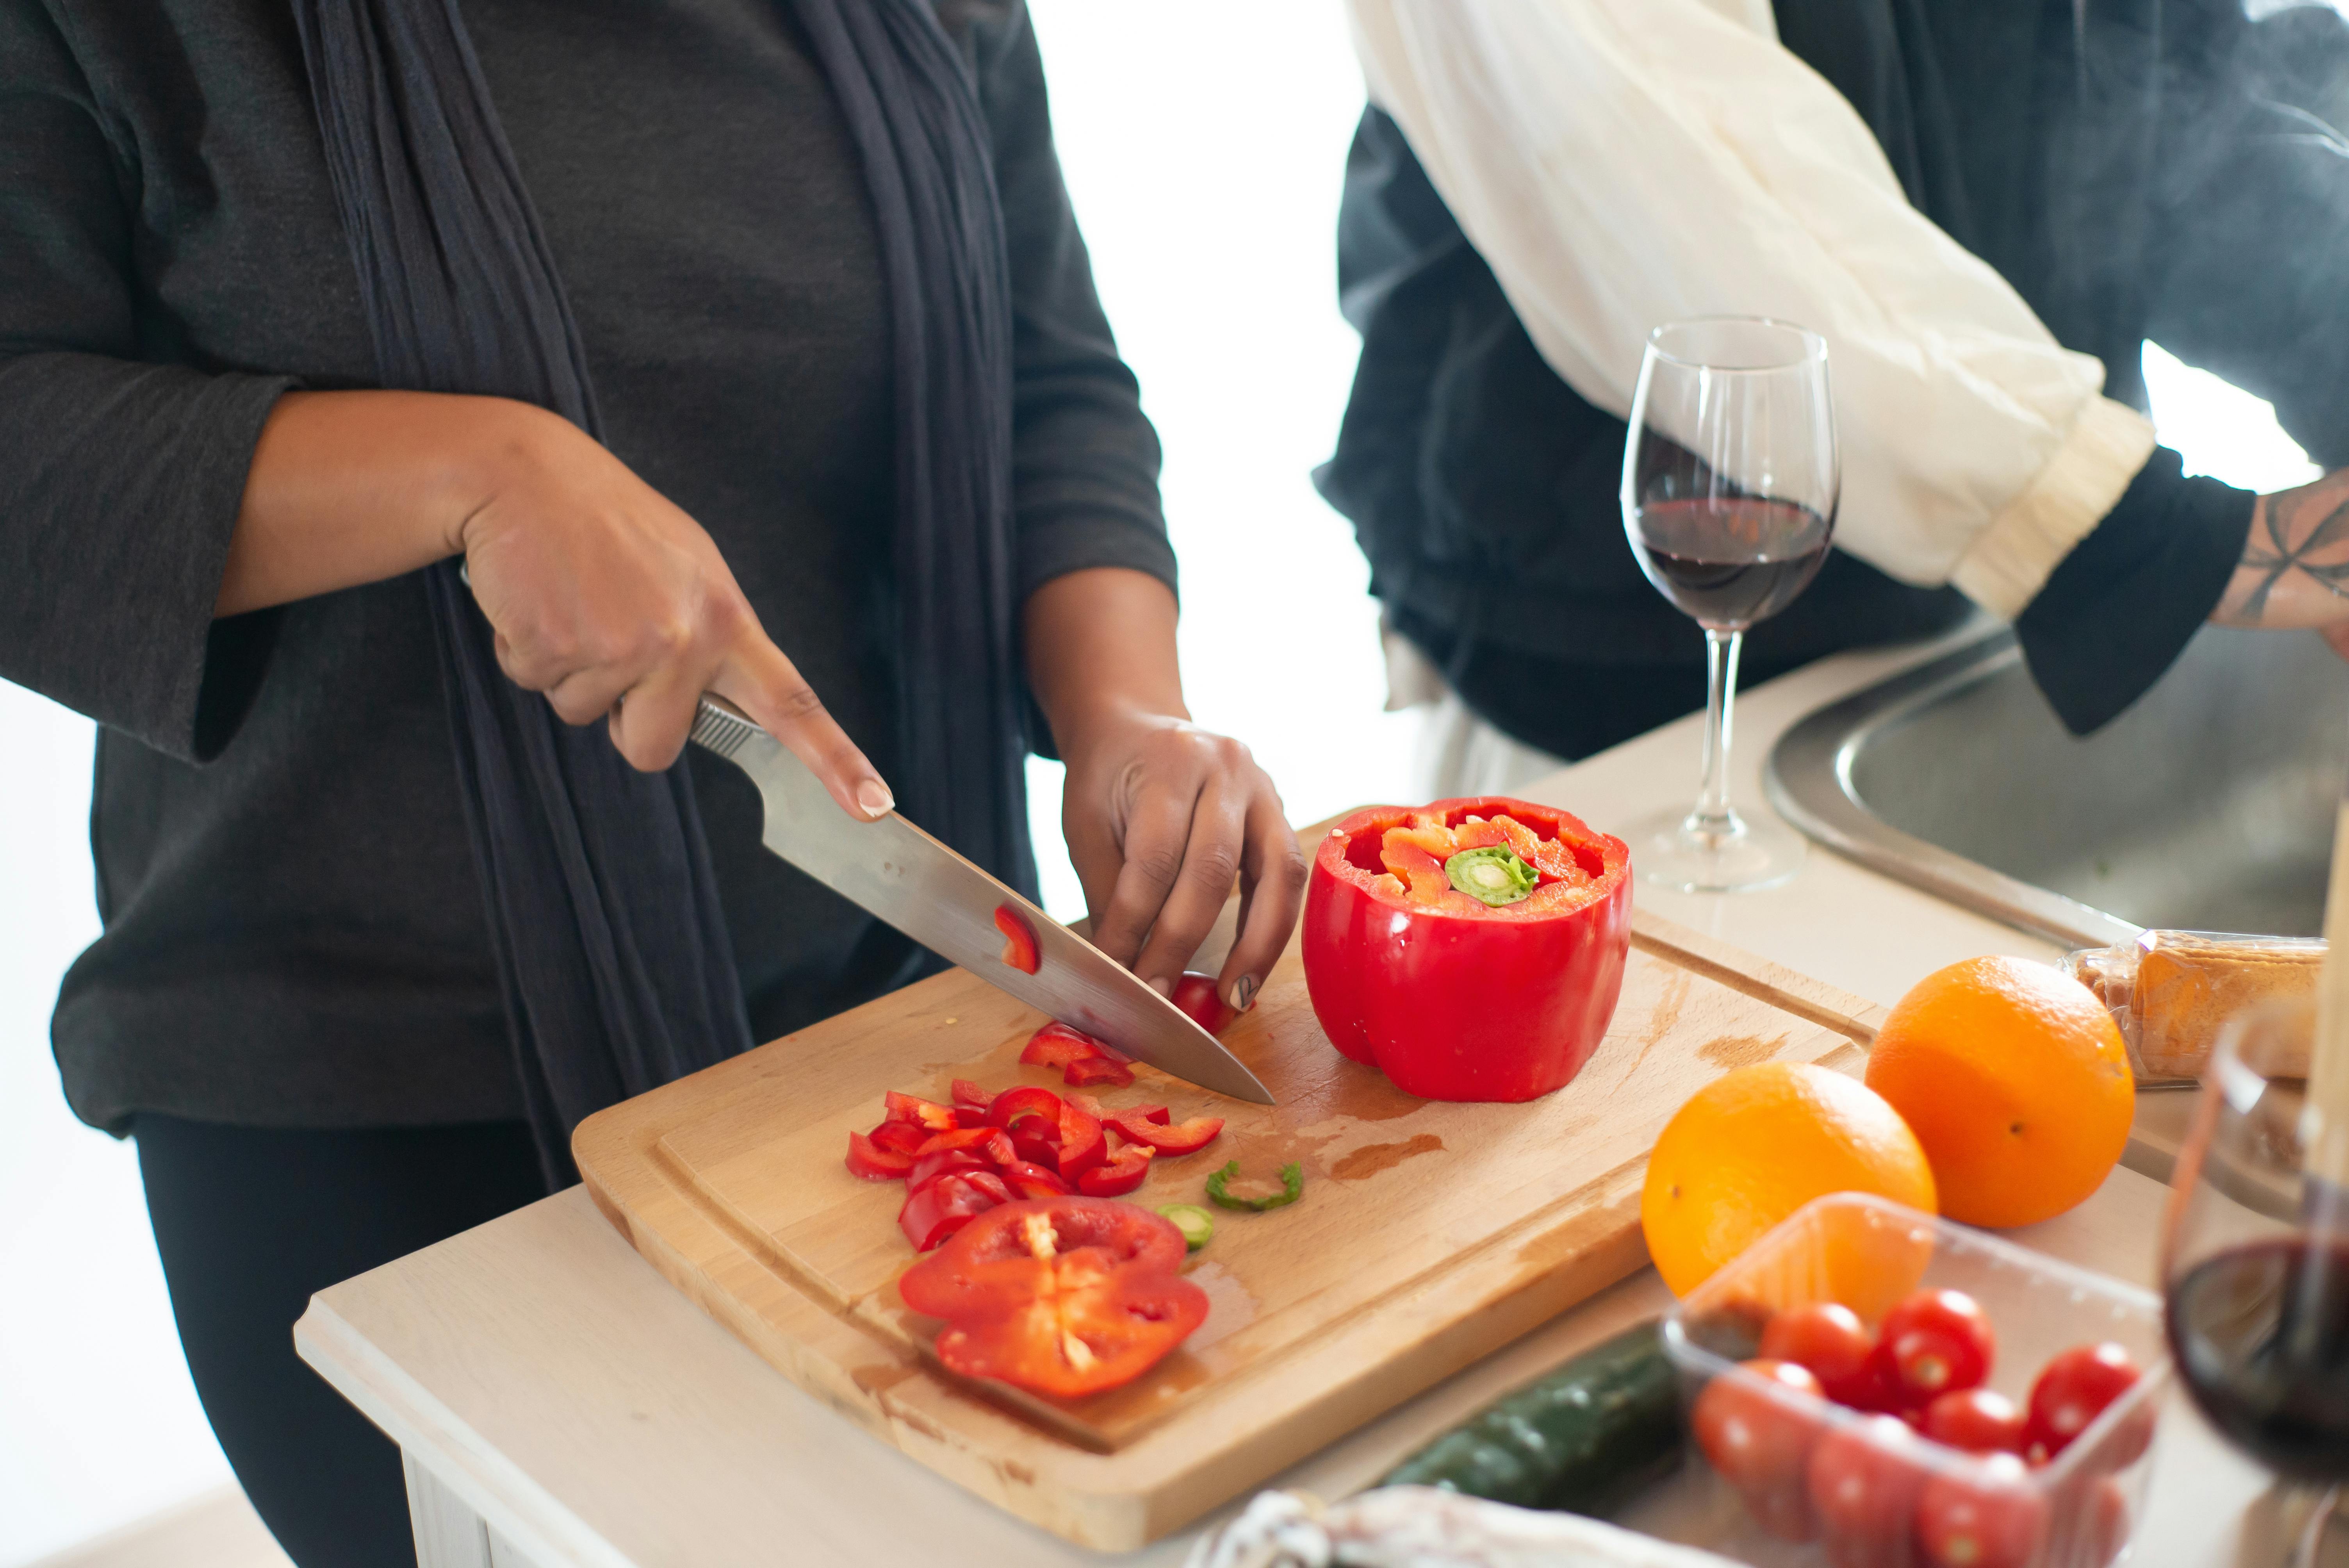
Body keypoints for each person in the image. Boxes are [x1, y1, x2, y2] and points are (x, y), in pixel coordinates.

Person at [0, 1, 1305, 1560]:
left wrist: (1125, 707)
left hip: (887, 1031)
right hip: (378, 1102)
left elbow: (1046, 378)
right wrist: (477, 474)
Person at [1322, 0, 2349, 796]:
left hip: (1976, 626)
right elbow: (1692, 178)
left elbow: (2188, 78)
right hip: (1614, 704)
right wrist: (2153, 536)